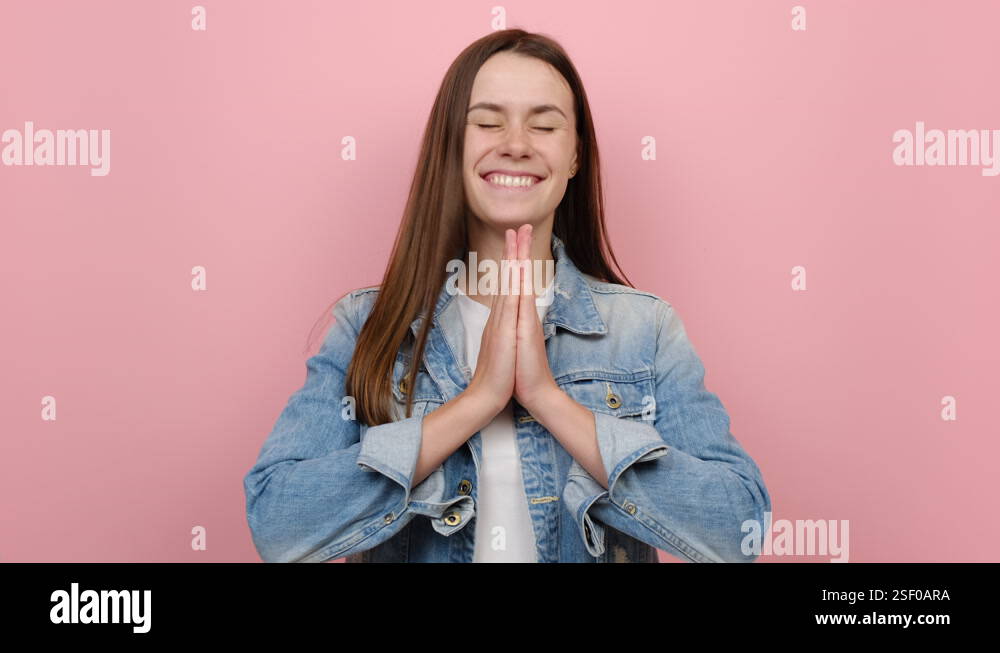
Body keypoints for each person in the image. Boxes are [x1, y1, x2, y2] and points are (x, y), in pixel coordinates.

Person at [243, 29, 771, 563]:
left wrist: (547, 398)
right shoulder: (368, 325)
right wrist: (478, 402)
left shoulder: (645, 330)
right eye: (488, 122)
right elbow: (279, 524)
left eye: (544, 125)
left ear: (574, 157)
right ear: (451, 146)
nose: (516, 143)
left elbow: (738, 529)